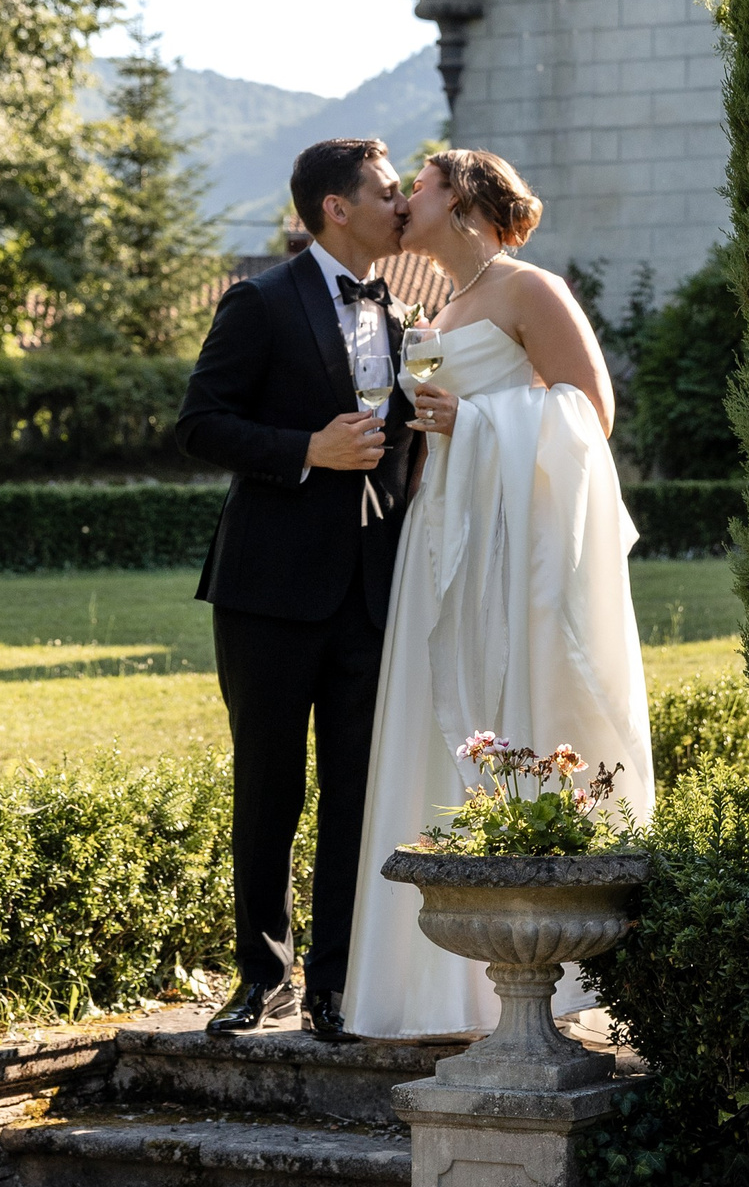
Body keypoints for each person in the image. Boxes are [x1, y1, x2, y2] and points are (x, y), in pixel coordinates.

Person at [345, 148, 655, 1039]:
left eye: (420, 186)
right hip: (441, 529)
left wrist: (479, 422)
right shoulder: (439, 306)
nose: (405, 199)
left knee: (510, 700)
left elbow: (590, 414)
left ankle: (536, 968)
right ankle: (429, 987)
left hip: (509, 541)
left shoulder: (532, 290)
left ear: (465, 200)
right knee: (430, 714)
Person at [174, 136, 420, 1041]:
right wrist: (306, 450)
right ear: (336, 208)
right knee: (268, 791)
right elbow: (200, 424)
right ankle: (262, 979)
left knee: (356, 794)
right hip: (267, 591)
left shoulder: (404, 315)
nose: (403, 204)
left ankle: (337, 986)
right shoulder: (261, 301)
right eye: (387, 192)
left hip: (371, 591)